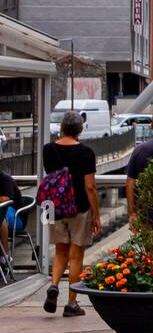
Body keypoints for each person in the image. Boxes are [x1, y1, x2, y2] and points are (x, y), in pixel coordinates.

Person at [42, 111, 101, 316]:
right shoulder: (86, 152)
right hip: (79, 208)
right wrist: (96, 214)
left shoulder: (48, 150)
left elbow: (51, 178)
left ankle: (54, 285)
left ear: (61, 127)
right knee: (76, 257)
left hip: (56, 207)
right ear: (80, 130)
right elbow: (90, 186)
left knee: (60, 252)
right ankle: (71, 303)